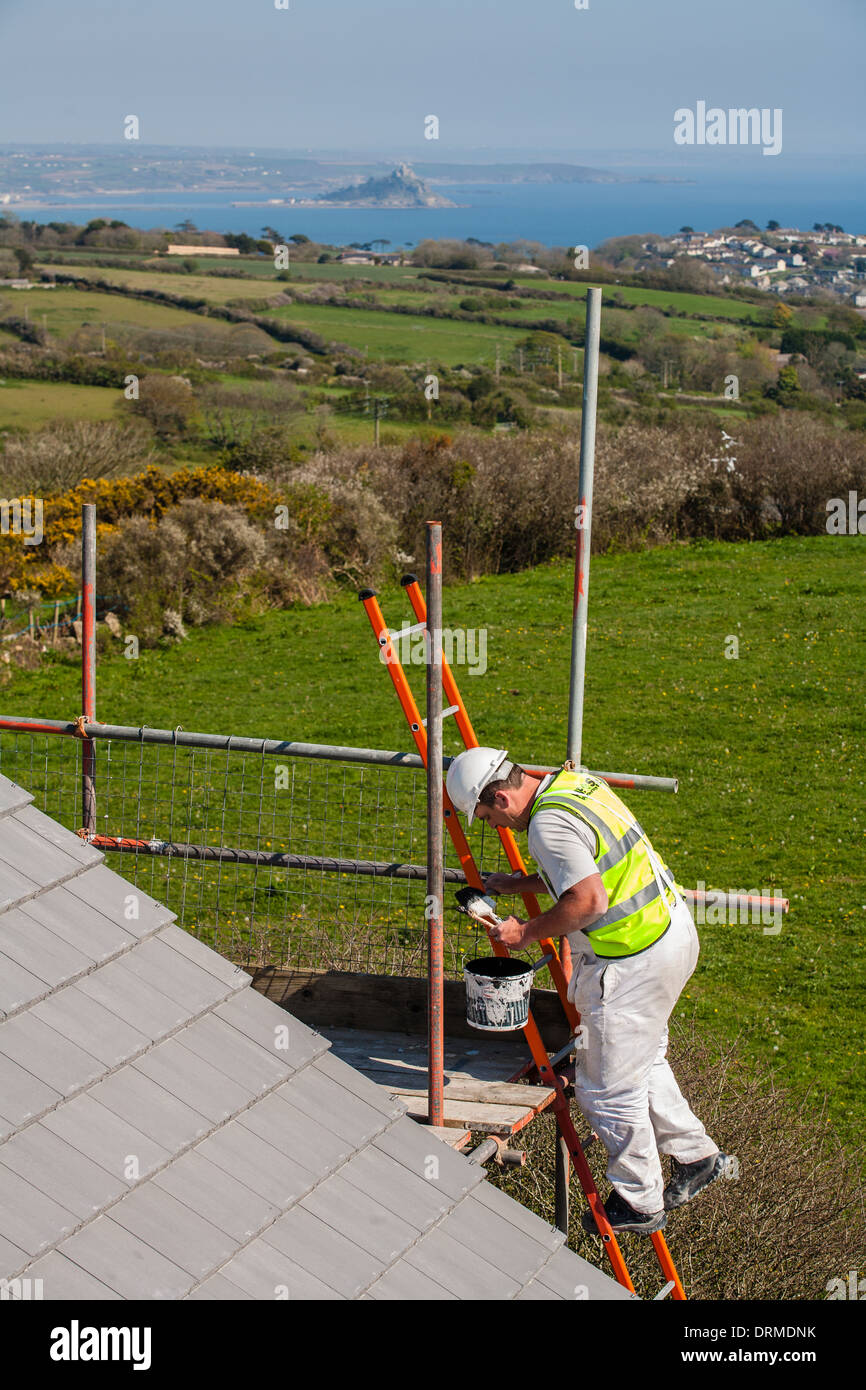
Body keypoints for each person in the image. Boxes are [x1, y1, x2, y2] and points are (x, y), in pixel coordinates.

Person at [446, 746, 727, 1235]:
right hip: (670, 932)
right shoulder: (574, 785)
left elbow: (590, 899)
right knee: (643, 1061)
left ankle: (640, 1203)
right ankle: (696, 1155)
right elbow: (585, 866)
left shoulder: (544, 826)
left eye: (489, 816)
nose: (494, 826)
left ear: (501, 797)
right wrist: (522, 885)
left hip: (633, 961)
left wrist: (524, 932)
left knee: (606, 1090)